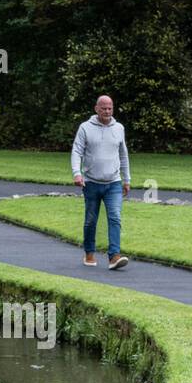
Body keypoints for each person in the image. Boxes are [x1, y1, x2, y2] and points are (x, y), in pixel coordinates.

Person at [71, 95, 130, 270]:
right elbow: (76, 151)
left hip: (113, 183)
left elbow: (123, 154)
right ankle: (89, 253)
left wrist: (127, 179)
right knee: (90, 220)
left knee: (115, 217)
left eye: (110, 108)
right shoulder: (85, 128)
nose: (107, 111)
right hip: (91, 183)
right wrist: (77, 173)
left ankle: (114, 256)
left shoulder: (119, 128)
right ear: (96, 108)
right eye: (103, 108)